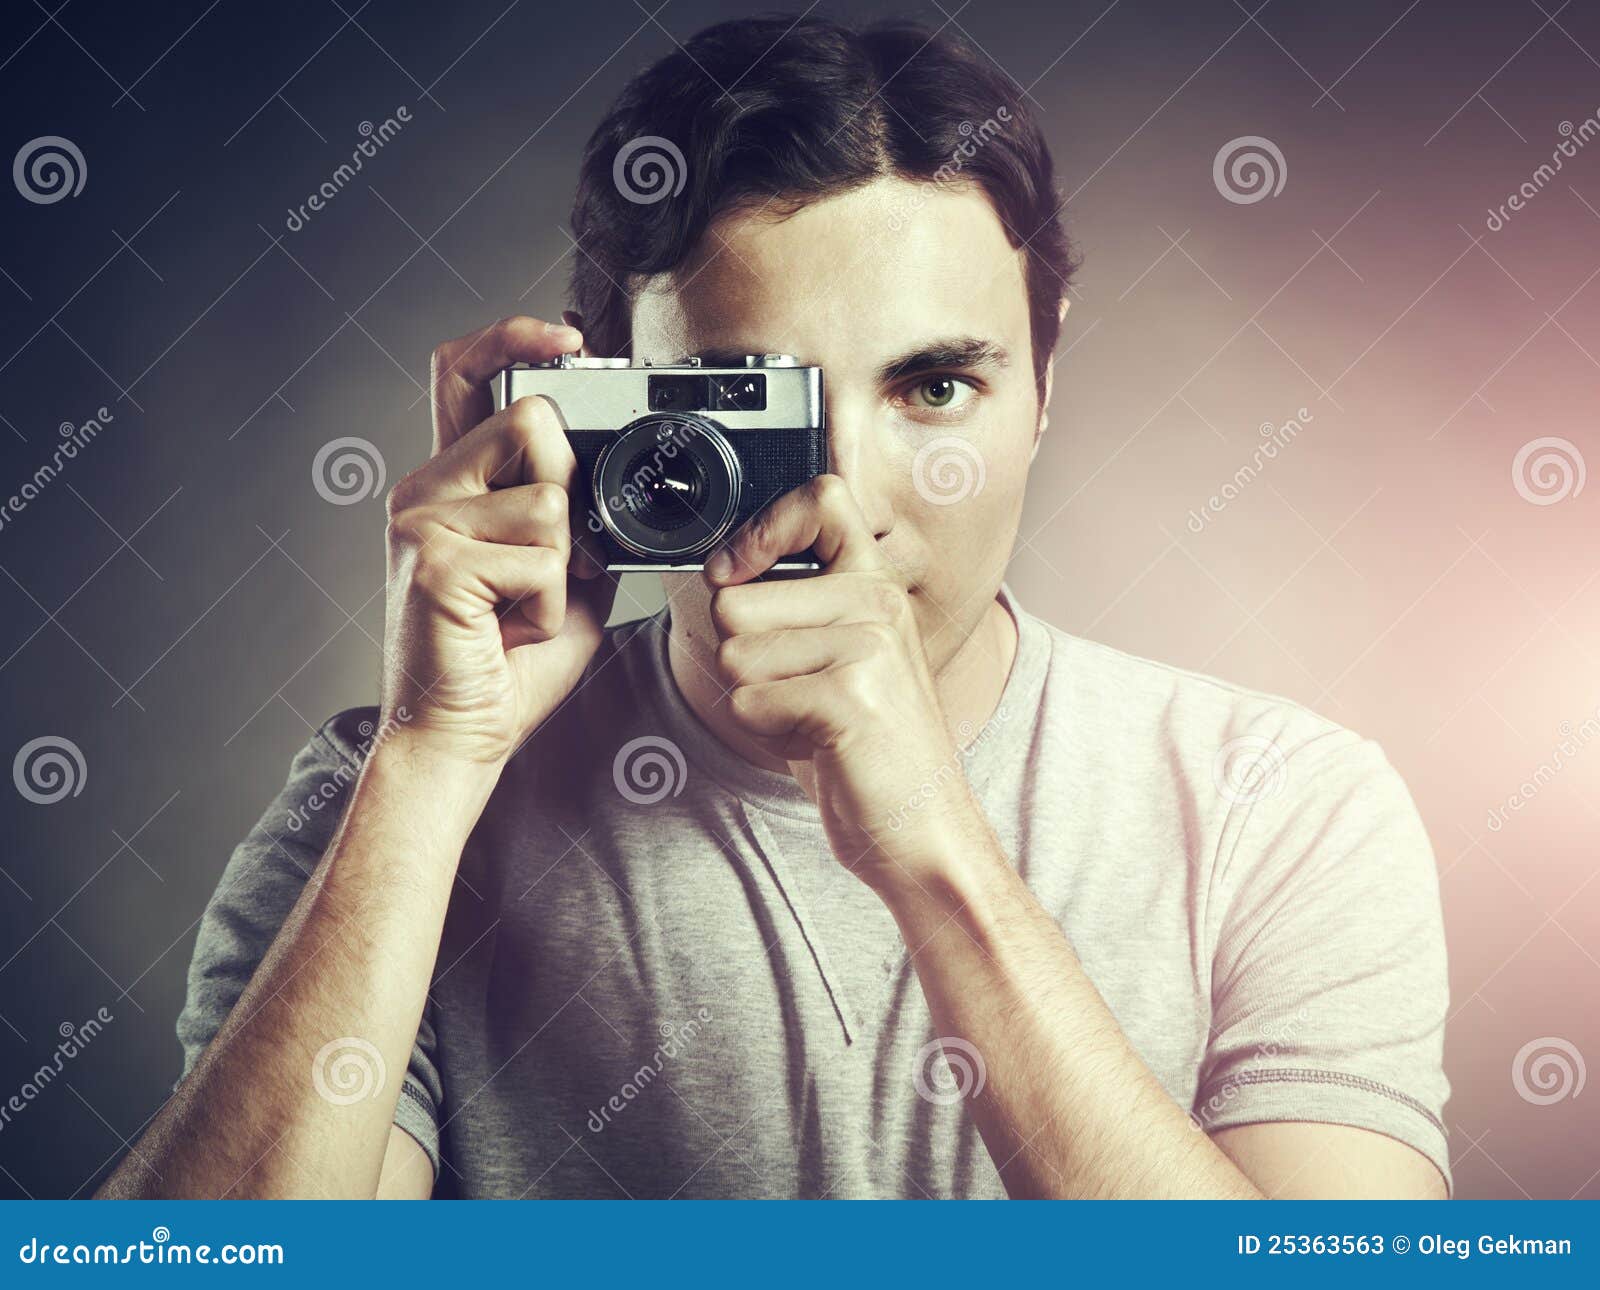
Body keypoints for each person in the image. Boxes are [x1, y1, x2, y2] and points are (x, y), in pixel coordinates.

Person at [101, 15, 1449, 1200]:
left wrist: (929, 841)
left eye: (933, 388)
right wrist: (428, 767)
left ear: (1047, 389)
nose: (845, 503)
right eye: (743, 402)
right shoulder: (391, 806)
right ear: (607, 412)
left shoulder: (1282, 806)